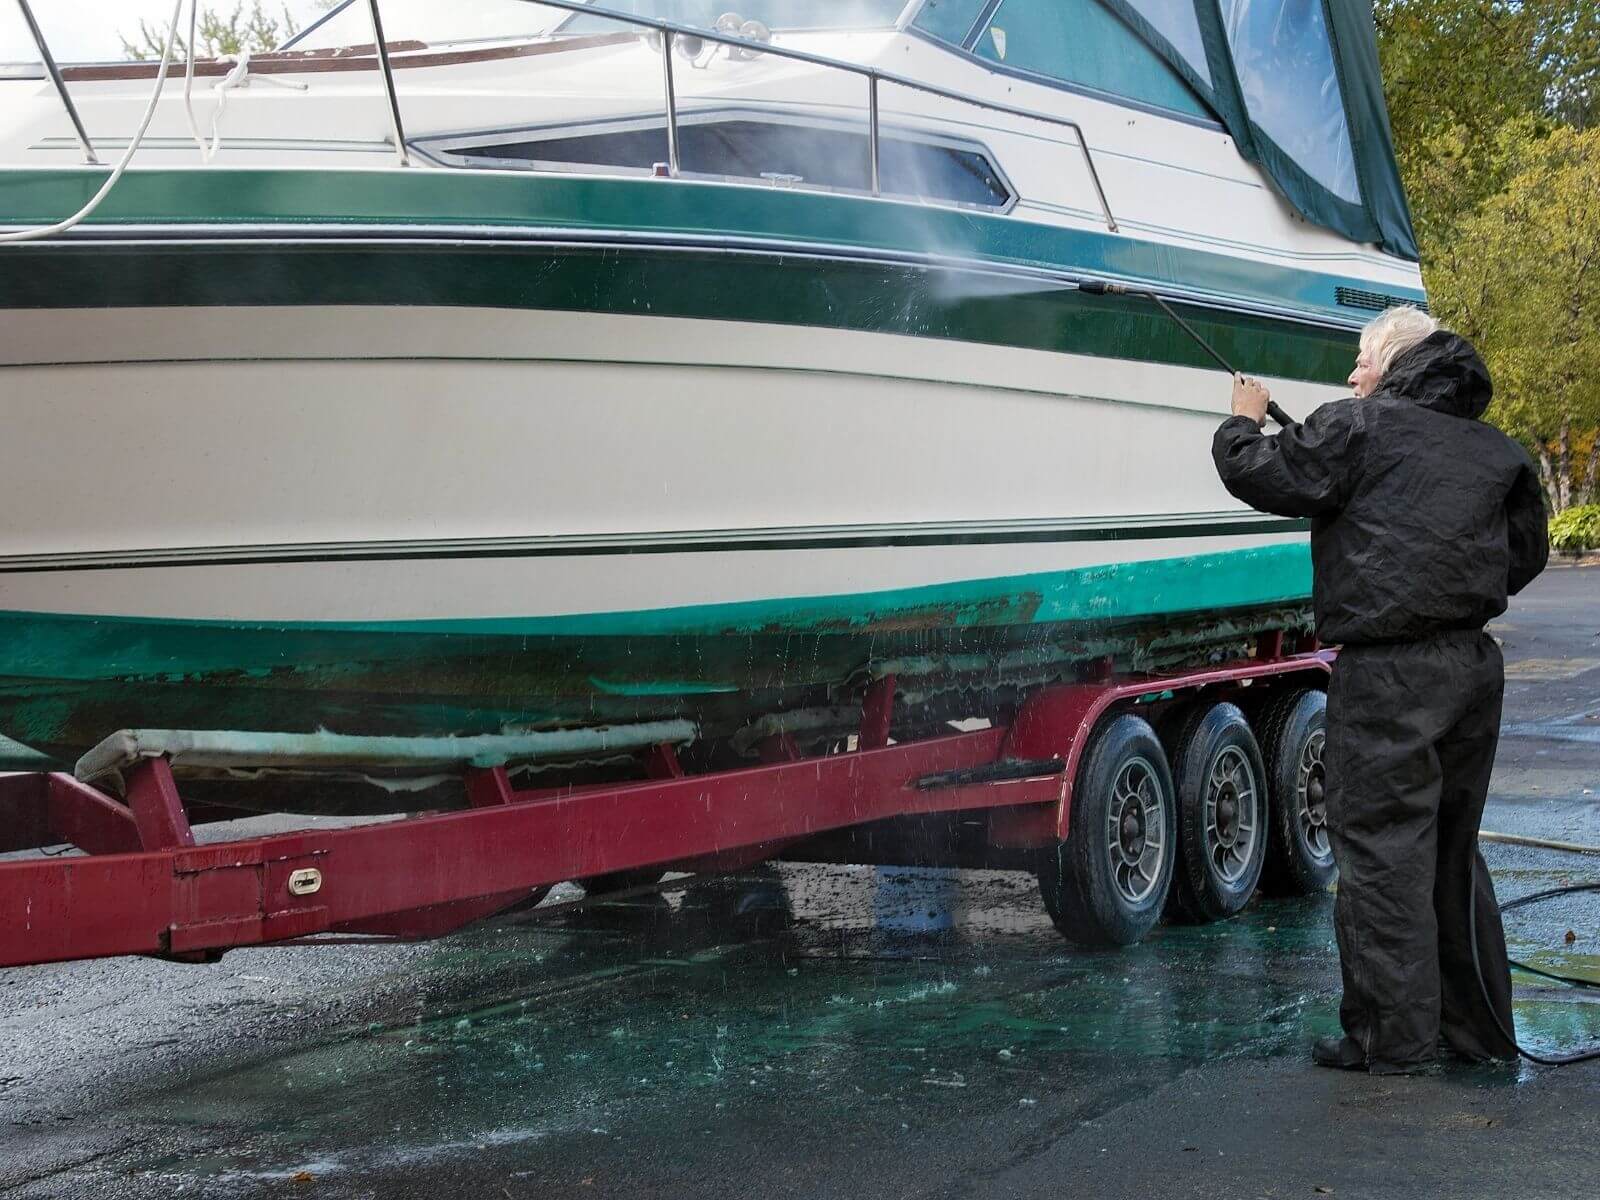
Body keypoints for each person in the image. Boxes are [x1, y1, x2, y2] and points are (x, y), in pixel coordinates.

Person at [1212, 307, 1548, 1074]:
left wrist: (1242, 423)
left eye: (1361, 362)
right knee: (1452, 853)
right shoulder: (1495, 452)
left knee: (1384, 853)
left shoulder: (1358, 427)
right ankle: (1479, 1035)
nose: (1351, 376)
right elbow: (1523, 553)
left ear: (1394, 366)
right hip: (1470, 670)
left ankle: (1391, 1042)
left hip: (1387, 674)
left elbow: (1261, 474)